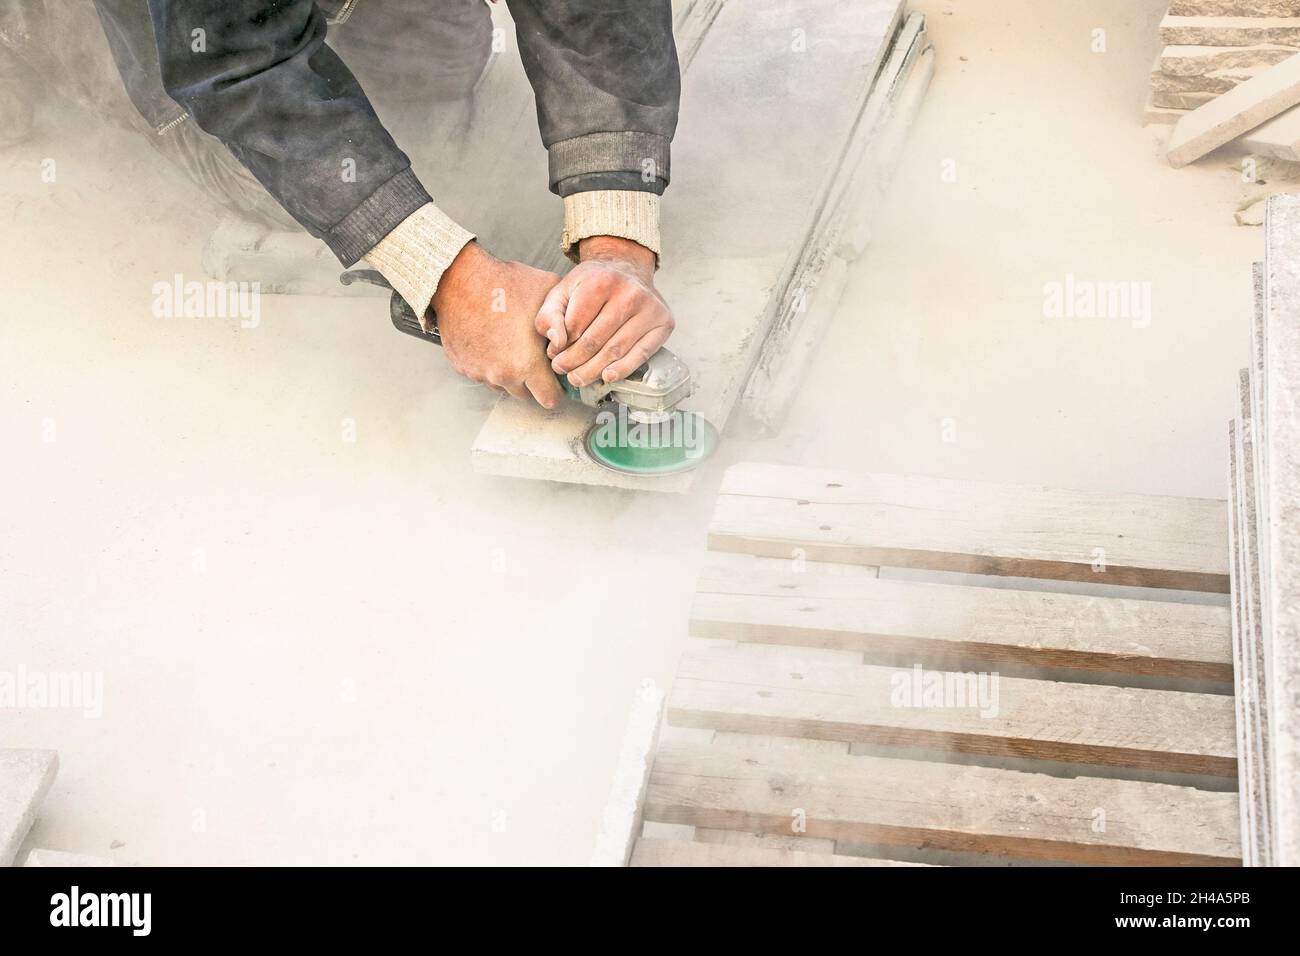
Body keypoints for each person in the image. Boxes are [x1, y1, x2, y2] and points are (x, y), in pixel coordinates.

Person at [144, 0, 682, 407]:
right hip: (193, 35)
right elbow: (234, 58)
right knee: (272, 176)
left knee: (441, 59)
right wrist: (448, 278)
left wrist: (616, 242)